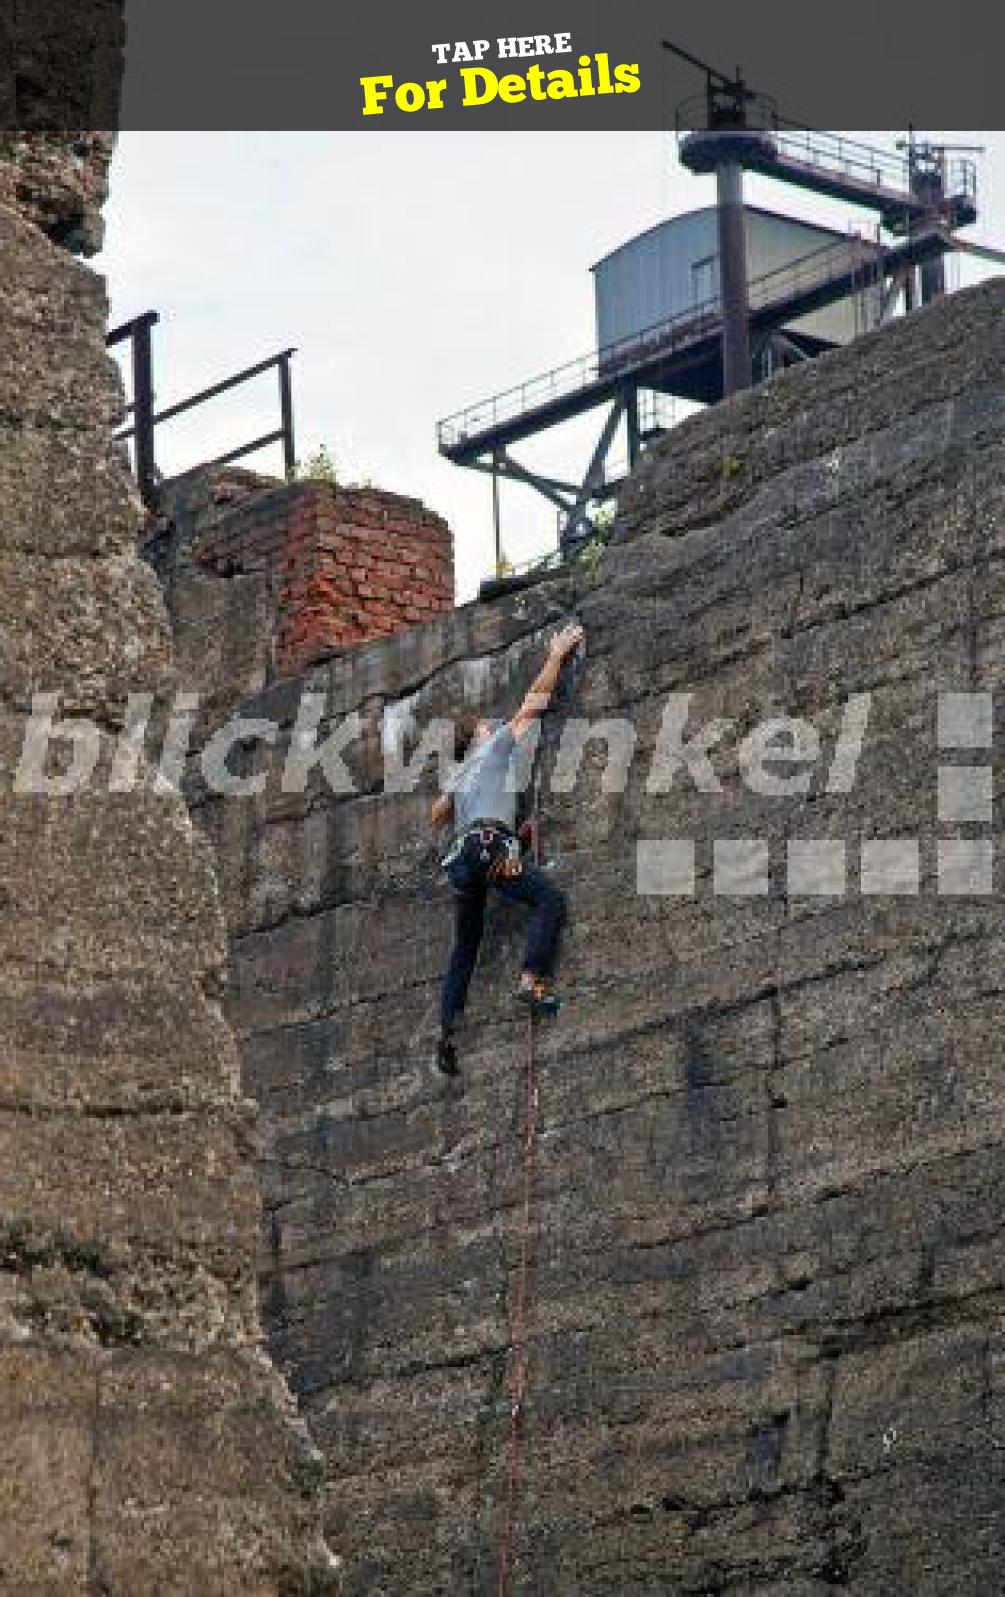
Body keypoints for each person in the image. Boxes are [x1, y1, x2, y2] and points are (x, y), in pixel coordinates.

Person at [431, 621, 585, 1076]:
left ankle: (447, 1031)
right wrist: (557, 656)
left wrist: (512, 831)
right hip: (490, 848)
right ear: (478, 736)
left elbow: (437, 814)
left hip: (463, 861)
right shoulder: (495, 747)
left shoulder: (458, 779)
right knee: (549, 899)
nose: (492, 725)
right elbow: (533, 705)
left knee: (466, 945)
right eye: (484, 725)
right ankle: (532, 980)